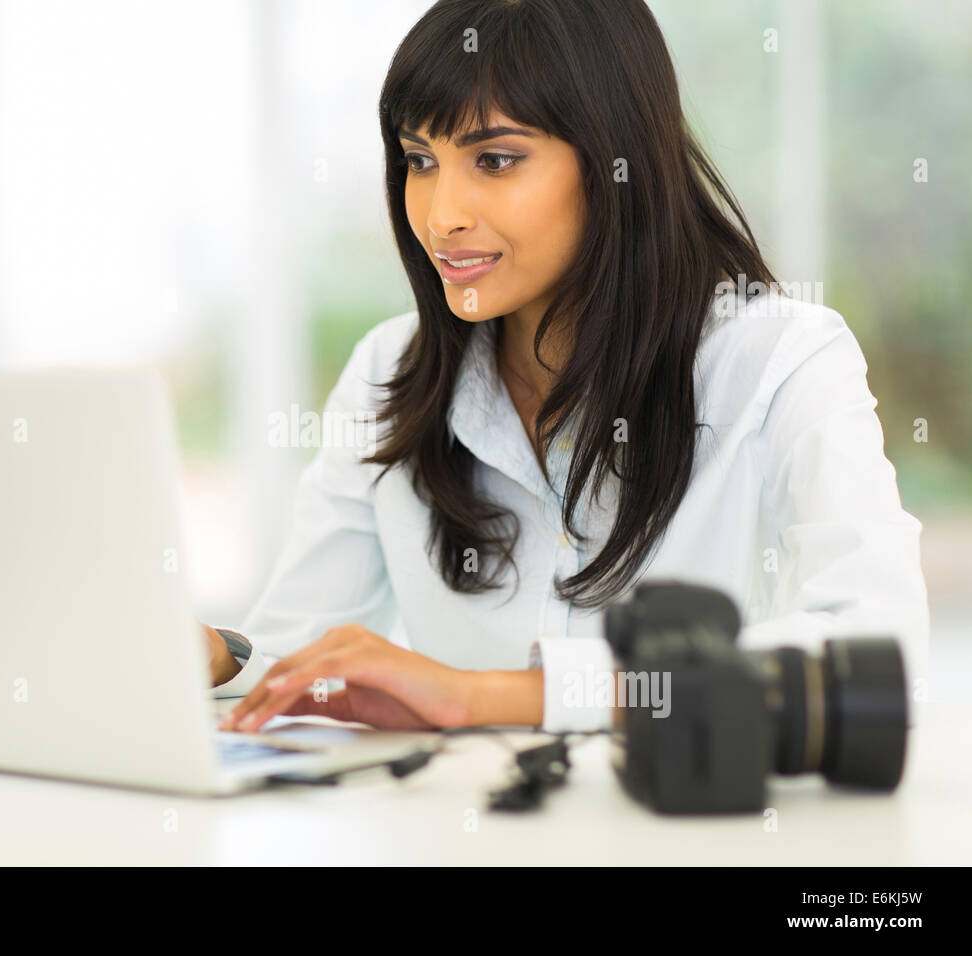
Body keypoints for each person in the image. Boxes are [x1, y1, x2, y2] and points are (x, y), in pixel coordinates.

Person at [205, 0, 928, 735]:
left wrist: (496, 697)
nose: (439, 214)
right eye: (420, 160)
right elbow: (303, 656)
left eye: (495, 159)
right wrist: (219, 657)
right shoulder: (387, 370)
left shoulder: (780, 360)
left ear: (618, 162)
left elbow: (877, 646)